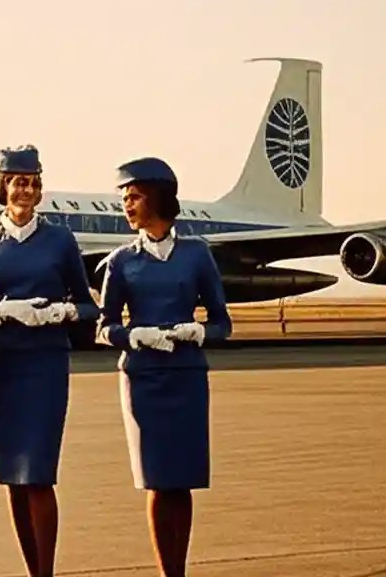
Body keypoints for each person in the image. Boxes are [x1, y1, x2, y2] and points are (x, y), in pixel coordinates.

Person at [0, 145, 99, 577]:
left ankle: (46, 571)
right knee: (13, 478)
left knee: (39, 474)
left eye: (34, 181)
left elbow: (88, 306)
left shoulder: (60, 240)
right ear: (3, 186)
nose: (27, 189)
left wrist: (57, 313)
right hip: (2, 365)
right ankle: (30, 569)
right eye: (19, 181)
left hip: (44, 363)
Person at [94, 157, 232, 577]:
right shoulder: (120, 261)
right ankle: (166, 571)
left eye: (134, 196)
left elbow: (223, 323)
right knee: (156, 480)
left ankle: (181, 570)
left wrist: (198, 332)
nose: (127, 205)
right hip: (143, 379)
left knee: (182, 479)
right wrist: (135, 336)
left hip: (186, 376)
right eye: (125, 198)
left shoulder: (197, 255)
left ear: (156, 198)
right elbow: (104, 327)